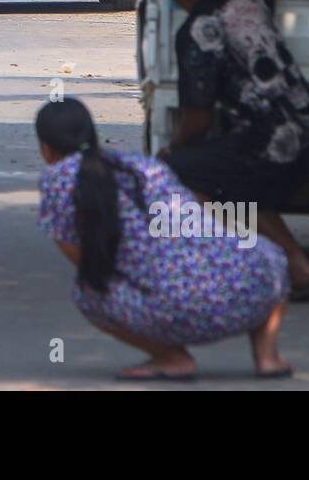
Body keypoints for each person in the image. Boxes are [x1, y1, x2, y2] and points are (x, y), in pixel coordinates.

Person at [36, 98, 292, 381]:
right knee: (270, 256)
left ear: (46, 149)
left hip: (176, 312)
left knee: (87, 291)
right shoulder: (143, 166)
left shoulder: (58, 180)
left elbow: (80, 257)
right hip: (250, 293)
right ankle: (268, 357)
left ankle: (173, 358)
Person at [149, 0, 309, 300]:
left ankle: (230, 268)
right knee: (233, 174)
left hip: (272, 147)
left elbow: (197, 122)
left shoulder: (197, 33)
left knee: (176, 172)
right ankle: (299, 268)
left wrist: (170, 150)